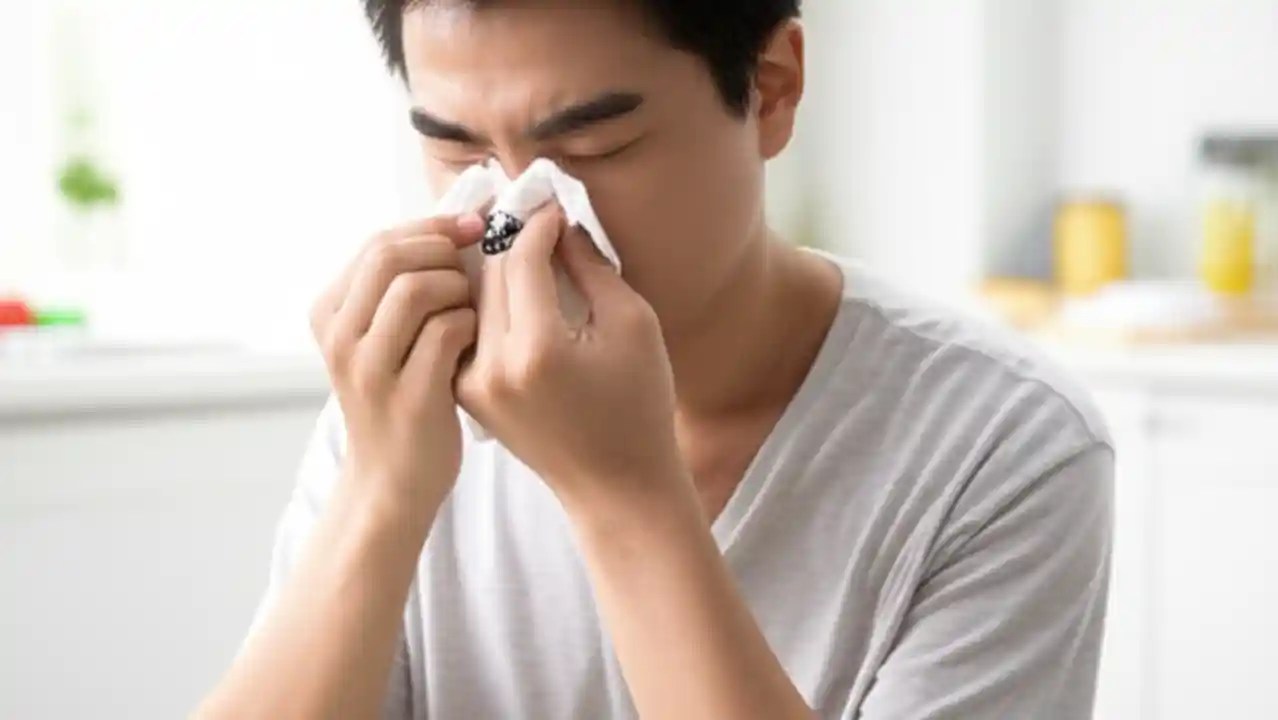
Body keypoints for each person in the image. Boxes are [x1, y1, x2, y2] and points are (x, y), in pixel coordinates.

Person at [195, 1, 1114, 718]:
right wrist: (383, 493)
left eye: (595, 146)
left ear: (773, 87)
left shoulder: (1006, 447)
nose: (522, 214)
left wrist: (626, 494)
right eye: (455, 148)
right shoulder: (405, 395)